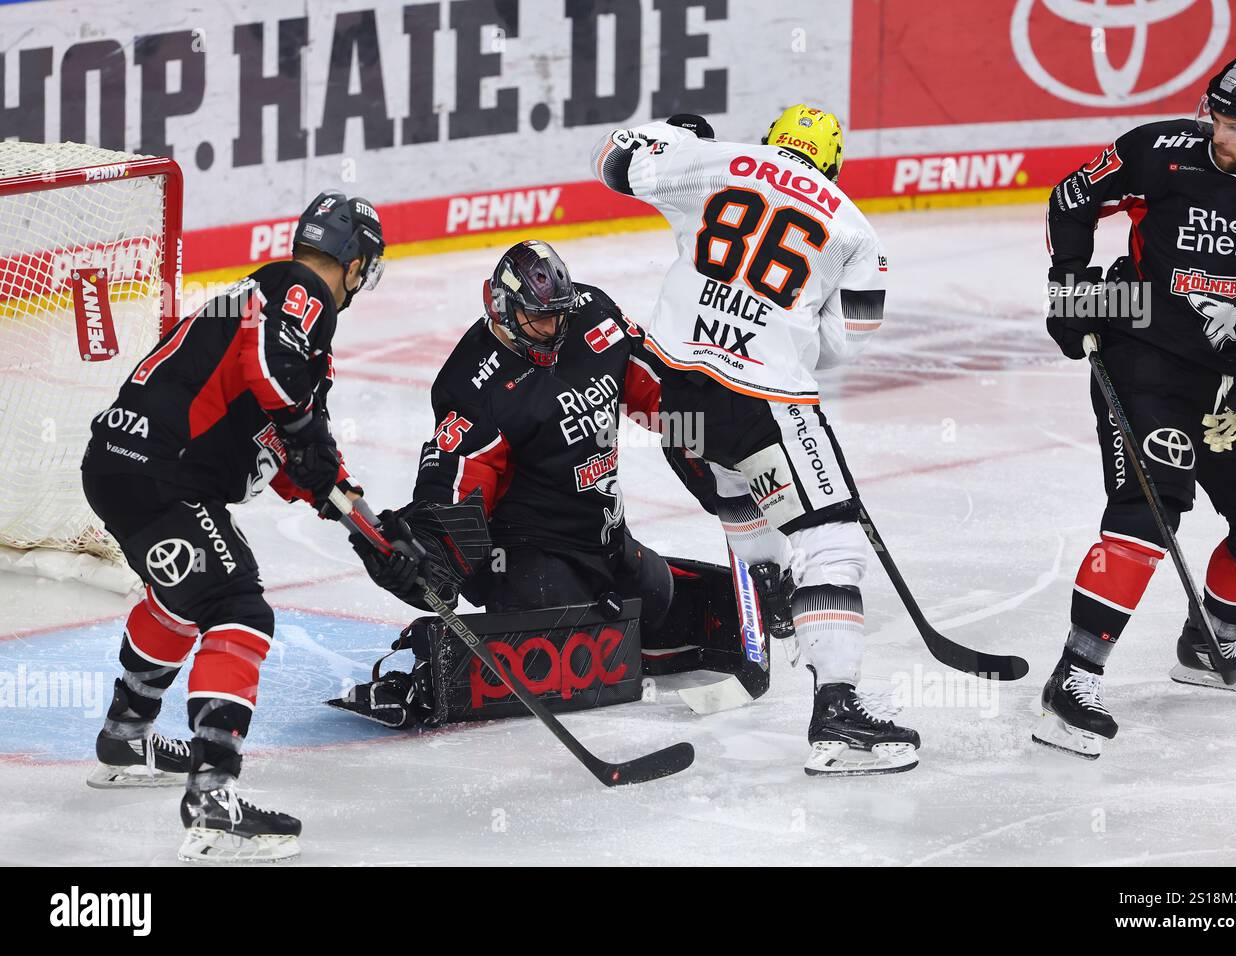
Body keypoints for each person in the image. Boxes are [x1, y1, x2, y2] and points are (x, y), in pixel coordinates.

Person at [340, 240, 788, 728]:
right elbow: (456, 482)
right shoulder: (473, 380)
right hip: (526, 555)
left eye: (559, 315)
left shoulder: (591, 317)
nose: (554, 329)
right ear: (504, 308)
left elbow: (659, 391)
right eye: (539, 319)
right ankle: (422, 674)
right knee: (568, 642)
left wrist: (722, 429)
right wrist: (424, 552)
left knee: (658, 600)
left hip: (604, 539)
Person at [591, 107, 918, 776]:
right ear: (831, 166)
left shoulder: (714, 162)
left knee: (733, 481)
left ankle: (768, 583)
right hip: (760, 398)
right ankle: (837, 713)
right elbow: (842, 345)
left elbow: (613, 162)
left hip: (666, 393)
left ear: (771, 142)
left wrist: (674, 133)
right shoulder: (855, 228)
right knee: (831, 536)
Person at [80, 190, 385, 861]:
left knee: (183, 599)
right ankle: (212, 806)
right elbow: (278, 389)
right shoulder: (296, 289)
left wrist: (361, 520)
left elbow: (286, 450)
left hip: (119, 467)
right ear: (356, 262)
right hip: (163, 474)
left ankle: (126, 736)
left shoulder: (269, 310)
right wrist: (306, 434)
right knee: (238, 607)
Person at [1035, 50, 1236, 759]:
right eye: (1218, 115)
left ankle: (1212, 643)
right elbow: (1072, 197)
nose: (1222, 132)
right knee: (1152, 506)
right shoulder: (1161, 150)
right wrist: (1070, 289)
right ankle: (1074, 677)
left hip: (1226, 375)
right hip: (1139, 350)